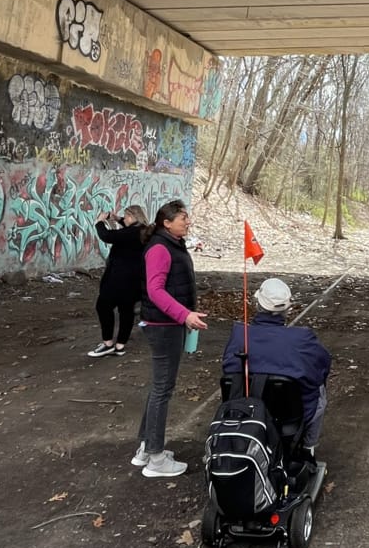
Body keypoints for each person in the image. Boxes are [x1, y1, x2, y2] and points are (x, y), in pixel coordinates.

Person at [133, 200, 209, 478]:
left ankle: (145, 449)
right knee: (163, 389)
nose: (187, 222)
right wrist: (184, 315)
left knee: (159, 388)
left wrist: (187, 312)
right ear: (167, 222)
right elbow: (155, 290)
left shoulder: (172, 244)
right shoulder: (159, 248)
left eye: (187, 218)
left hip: (168, 323)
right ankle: (155, 458)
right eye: (182, 218)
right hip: (162, 326)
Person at [222, 278, 332, 452]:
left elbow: (228, 369)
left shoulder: (239, 335)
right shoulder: (302, 338)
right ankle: (308, 447)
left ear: (257, 303)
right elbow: (323, 367)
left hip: (244, 412)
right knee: (319, 391)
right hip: (291, 416)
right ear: (288, 309)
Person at [88, 205, 149, 358]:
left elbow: (108, 236)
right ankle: (120, 345)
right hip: (134, 281)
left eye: (127, 216)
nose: (125, 218)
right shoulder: (143, 231)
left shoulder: (131, 233)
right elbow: (127, 229)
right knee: (126, 311)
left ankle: (108, 343)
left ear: (134, 217)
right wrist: (117, 219)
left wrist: (100, 222)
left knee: (103, 306)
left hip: (119, 279)